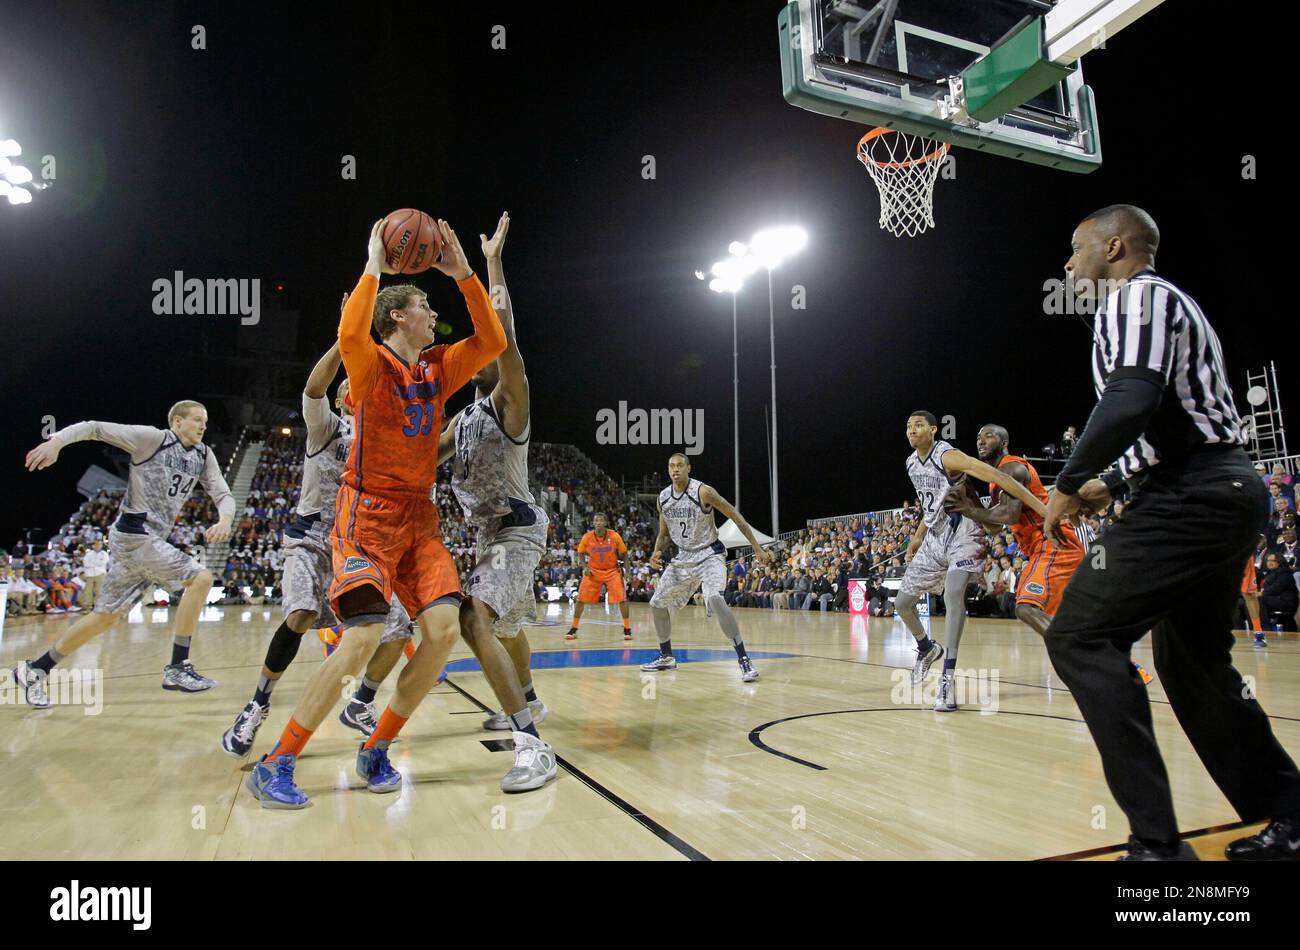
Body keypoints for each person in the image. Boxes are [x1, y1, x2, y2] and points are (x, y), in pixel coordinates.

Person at [1041, 204, 1300, 860]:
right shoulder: (1162, 306)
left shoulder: (1137, 300)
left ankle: (1156, 846)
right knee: (1191, 665)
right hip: (1223, 489)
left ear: (1116, 246)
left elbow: (1130, 397)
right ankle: (1291, 814)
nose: (1068, 265)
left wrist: (1071, 481)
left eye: (1077, 250)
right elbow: (1167, 421)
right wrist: (1115, 482)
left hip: (1194, 496)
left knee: (1079, 634)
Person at [245, 217, 506, 807]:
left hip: (420, 520)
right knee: (361, 637)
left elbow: (492, 343)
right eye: (423, 304)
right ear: (397, 317)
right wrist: (374, 264)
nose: (431, 314)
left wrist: (464, 273)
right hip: (367, 517)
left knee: (441, 634)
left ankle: (377, 746)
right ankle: (278, 760)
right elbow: (350, 331)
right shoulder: (368, 366)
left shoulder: (438, 367)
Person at [221, 332, 414, 758]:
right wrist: (345, 340)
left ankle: (360, 702)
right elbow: (313, 389)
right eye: (356, 389)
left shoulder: (384, 442)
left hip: (360, 548)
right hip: (311, 538)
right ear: (347, 400)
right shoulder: (328, 427)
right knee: (303, 614)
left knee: (401, 628)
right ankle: (258, 703)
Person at [438, 211, 557, 789]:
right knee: (508, 627)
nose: (478, 351)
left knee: (473, 617)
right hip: (488, 535)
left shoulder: (512, 404)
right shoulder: (459, 420)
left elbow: (502, 334)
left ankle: (532, 746)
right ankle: (530, 700)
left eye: (485, 345)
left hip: (517, 530)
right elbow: (417, 459)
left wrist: (490, 265)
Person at [15, 402, 234, 707]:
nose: (203, 426)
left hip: (147, 540)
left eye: (206, 422)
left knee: (104, 618)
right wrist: (56, 441)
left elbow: (223, 494)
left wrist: (224, 519)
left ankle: (35, 670)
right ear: (177, 421)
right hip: (135, 534)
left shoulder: (203, 455)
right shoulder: (150, 439)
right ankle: (177, 667)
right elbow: (93, 426)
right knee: (201, 578)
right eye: (197, 420)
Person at [895, 410, 1049, 712]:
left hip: (965, 531)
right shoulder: (911, 463)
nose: (912, 431)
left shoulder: (948, 456)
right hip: (936, 536)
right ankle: (927, 648)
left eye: (918, 426)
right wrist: (918, 535)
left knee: (954, 594)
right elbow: (932, 503)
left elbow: (997, 476)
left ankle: (947, 681)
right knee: (902, 604)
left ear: (933, 430)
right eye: (908, 427)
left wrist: (1043, 510)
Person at [640, 453, 771, 682]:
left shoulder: (703, 491)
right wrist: (655, 553)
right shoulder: (663, 498)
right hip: (683, 557)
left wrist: (757, 548)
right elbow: (663, 533)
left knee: (715, 599)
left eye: (680, 465)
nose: (675, 469)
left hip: (710, 554)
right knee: (657, 604)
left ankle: (743, 659)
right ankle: (666, 656)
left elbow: (735, 516)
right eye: (671, 466)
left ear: (689, 468)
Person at [568, 512, 632, 641]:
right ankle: (573, 628)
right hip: (593, 571)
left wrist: (628, 571)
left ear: (606, 523)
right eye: (596, 520)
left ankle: (627, 629)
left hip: (612, 571)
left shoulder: (614, 536)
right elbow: (580, 553)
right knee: (580, 599)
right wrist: (584, 567)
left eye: (601, 520)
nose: (598, 523)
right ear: (593, 523)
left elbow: (624, 554)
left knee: (622, 599)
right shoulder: (587, 537)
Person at [1257, 552, 1298, 632]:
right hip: (1275, 599)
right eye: (1268, 561)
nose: (1269, 563)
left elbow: (1277, 588)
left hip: (1286, 601)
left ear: (1279, 562)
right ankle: (1248, 627)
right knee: (1249, 602)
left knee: (1261, 599)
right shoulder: (1269, 573)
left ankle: (1266, 628)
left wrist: (1262, 593)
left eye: (1272, 560)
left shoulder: (1285, 572)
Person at [80, 540, 109, 610]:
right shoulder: (89, 554)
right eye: (96, 544)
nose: (98, 546)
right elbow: (86, 563)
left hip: (100, 574)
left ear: (101, 546)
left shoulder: (104, 554)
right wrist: (96, 564)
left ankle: (99, 607)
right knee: (88, 592)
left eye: (100, 545)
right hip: (90, 574)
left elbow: (103, 563)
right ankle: (87, 607)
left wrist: (92, 563)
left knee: (100, 591)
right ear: (94, 545)